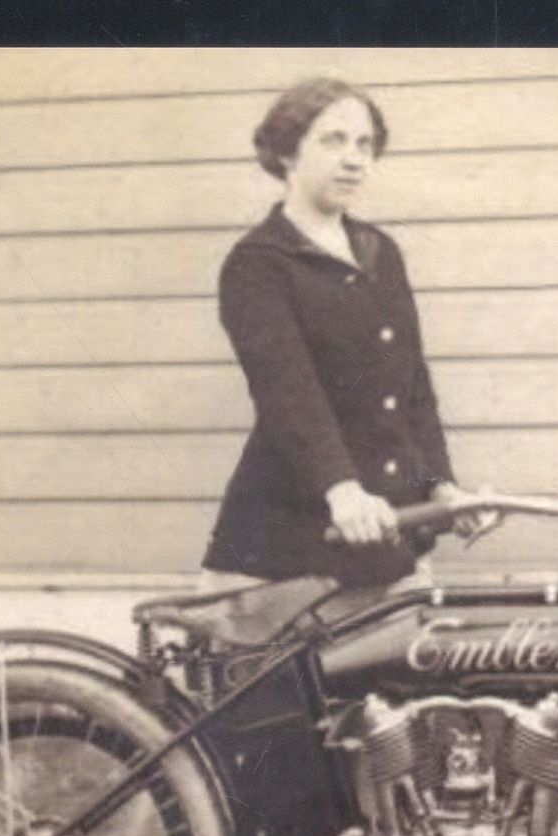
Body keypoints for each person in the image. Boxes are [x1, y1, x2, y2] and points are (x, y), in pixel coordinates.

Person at [200, 77, 489, 596]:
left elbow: (411, 385)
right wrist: (341, 489)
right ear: (287, 152)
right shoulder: (258, 264)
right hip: (288, 545)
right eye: (333, 141)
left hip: (389, 532)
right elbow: (287, 393)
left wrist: (440, 487)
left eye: (365, 144)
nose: (354, 159)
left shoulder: (381, 252)